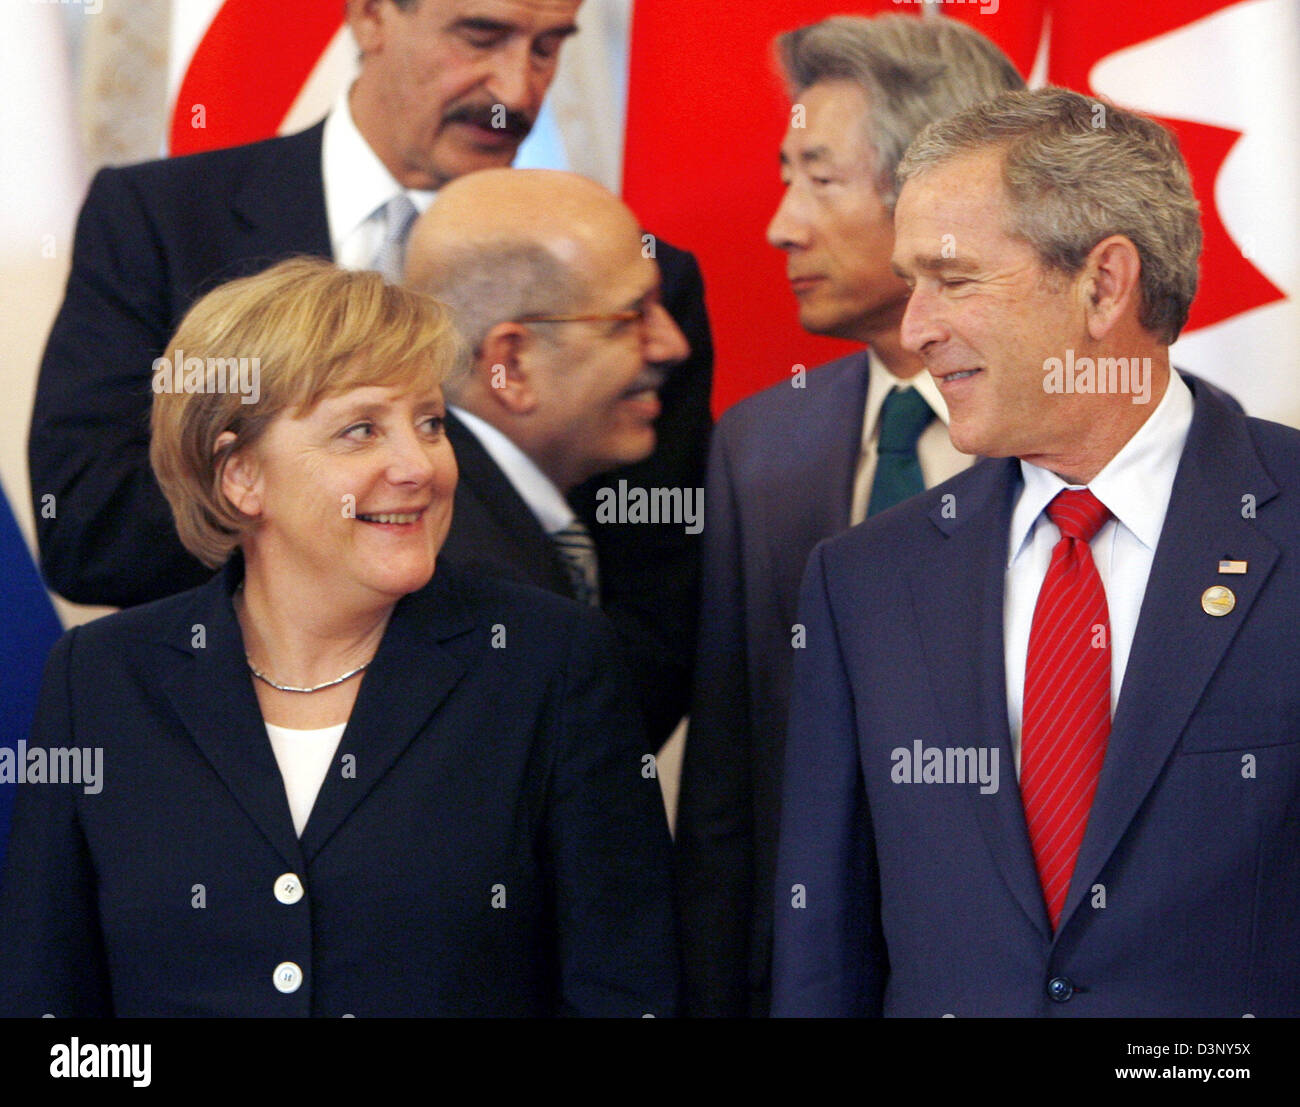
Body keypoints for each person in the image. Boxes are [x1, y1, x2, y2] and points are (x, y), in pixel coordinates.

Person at [0, 258, 678, 1017]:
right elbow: (47, 1005)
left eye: (429, 423)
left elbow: (626, 989)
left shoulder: (548, 660)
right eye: (361, 429)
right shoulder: (103, 678)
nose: (417, 465)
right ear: (241, 475)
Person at [772, 87, 1300, 1017]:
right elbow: (826, 949)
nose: (916, 329)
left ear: (1104, 284)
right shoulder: (863, 579)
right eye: (913, 282)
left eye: (955, 278)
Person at [28, 0, 713, 648]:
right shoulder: (162, 222)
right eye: (480, 37)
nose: (518, 89)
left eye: (547, 47)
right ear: (370, 14)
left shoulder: (640, 292)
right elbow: (87, 529)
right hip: (224, 746)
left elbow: (655, 605)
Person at [675, 14, 1024, 1017]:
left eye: (818, 179)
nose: (781, 224)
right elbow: (727, 798)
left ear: (940, 190)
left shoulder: (1090, 428)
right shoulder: (759, 446)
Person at [404, 168, 693, 743]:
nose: (672, 344)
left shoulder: (484, 527)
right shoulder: (471, 592)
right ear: (510, 366)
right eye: (632, 316)